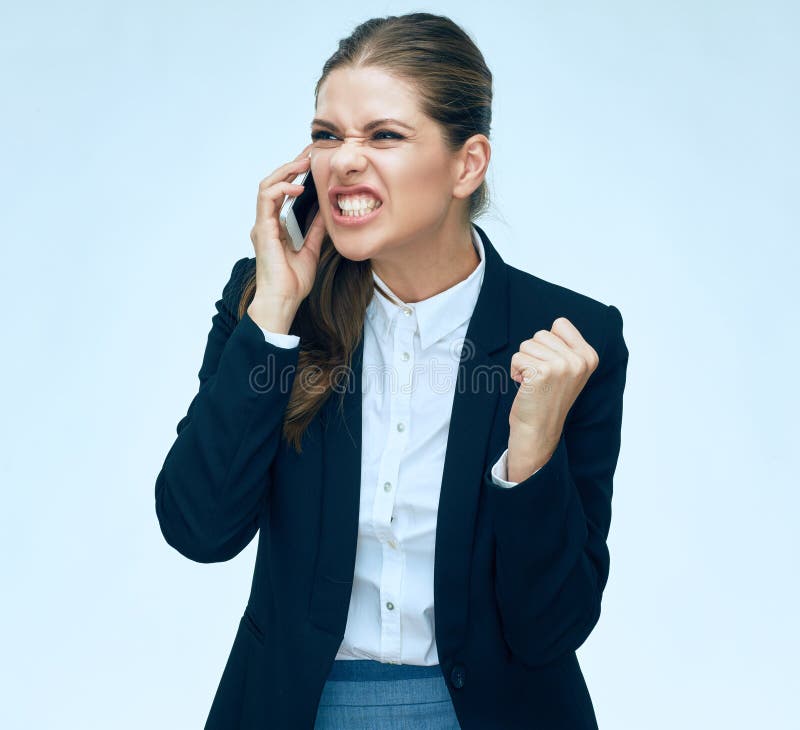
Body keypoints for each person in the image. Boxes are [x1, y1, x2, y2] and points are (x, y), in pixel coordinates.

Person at [154, 12, 629, 730]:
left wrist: (529, 455)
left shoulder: (569, 340)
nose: (343, 161)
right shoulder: (270, 303)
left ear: (467, 164)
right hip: (297, 707)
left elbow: (550, 627)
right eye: (326, 135)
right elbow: (198, 529)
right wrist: (274, 314)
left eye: (383, 135)